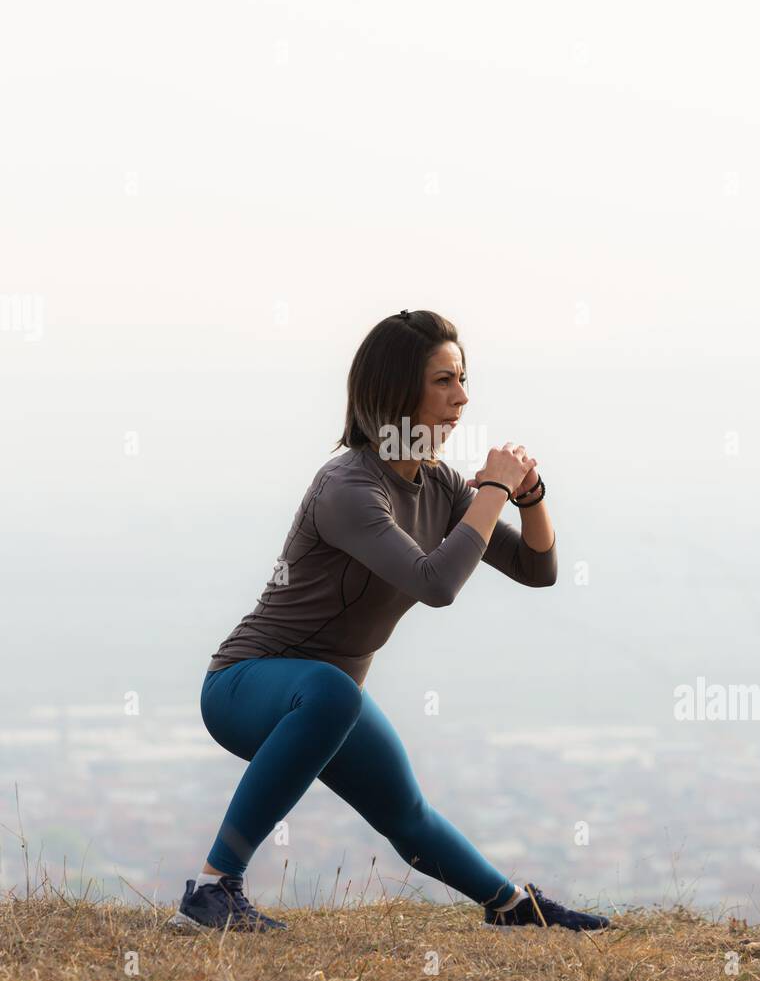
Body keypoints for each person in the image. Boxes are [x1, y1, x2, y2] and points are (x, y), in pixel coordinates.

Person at [168, 309, 610, 935]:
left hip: (327, 701)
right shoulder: (349, 486)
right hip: (246, 686)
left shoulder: (443, 486)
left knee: (405, 812)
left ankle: (513, 906)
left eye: (463, 380)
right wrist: (491, 489)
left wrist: (528, 496)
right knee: (330, 691)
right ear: (396, 390)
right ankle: (213, 891)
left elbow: (538, 571)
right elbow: (436, 584)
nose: (462, 398)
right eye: (443, 381)